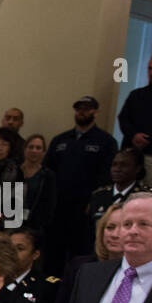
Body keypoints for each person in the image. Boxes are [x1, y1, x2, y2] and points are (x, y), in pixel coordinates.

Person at [43, 96, 118, 274]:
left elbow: (107, 176)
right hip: (58, 208)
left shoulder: (105, 141)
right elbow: (48, 172)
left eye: (87, 108)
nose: (82, 112)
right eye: (79, 109)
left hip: (84, 210)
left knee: (80, 255)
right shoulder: (60, 140)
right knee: (53, 256)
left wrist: (94, 202)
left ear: (95, 112)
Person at [48, 205, 123, 303]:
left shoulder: (139, 274)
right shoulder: (81, 267)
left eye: (122, 228)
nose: (114, 234)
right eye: (110, 227)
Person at [117, 53, 152, 192]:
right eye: (150, 68)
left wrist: (149, 138)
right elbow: (123, 118)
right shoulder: (136, 95)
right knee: (126, 193)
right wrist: (134, 135)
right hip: (132, 153)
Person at [84, 147, 152, 231]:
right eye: (114, 164)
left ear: (137, 169)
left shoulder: (147, 198)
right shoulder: (98, 196)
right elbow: (88, 231)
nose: (117, 169)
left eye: (124, 165)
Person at [20, 133, 56, 231]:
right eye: (31, 147)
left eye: (38, 148)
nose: (34, 151)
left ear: (44, 152)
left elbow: (49, 206)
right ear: (24, 150)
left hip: (34, 227)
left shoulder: (48, 176)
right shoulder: (13, 171)